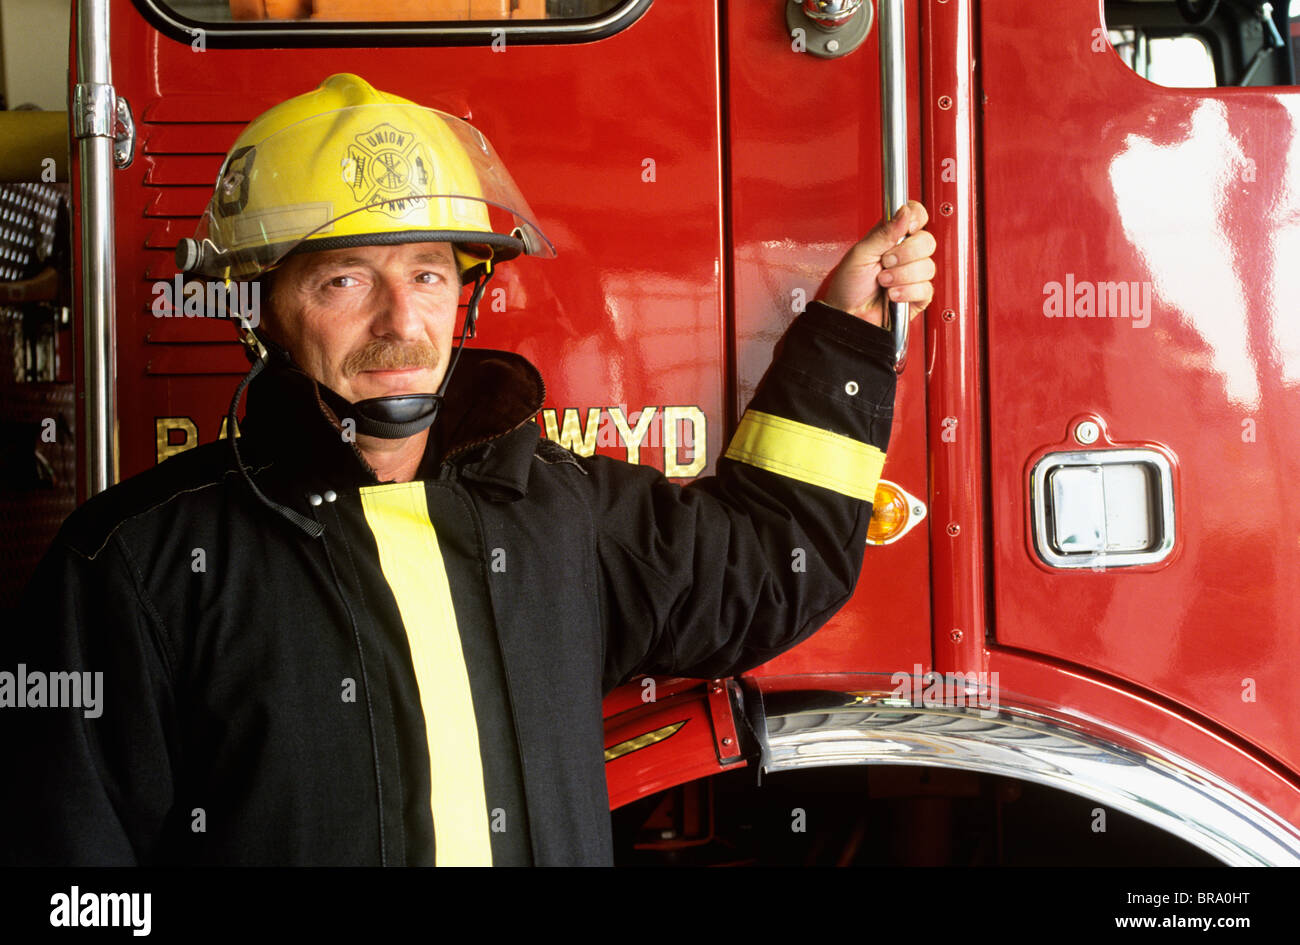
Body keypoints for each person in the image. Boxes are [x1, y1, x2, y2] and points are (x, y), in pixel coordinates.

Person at [1, 74, 935, 866]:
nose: (400, 322)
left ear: (466, 296)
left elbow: (769, 566)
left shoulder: (557, 510)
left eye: (428, 274)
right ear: (265, 312)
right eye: (344, 279)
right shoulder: (135, 563)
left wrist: (844, 339)